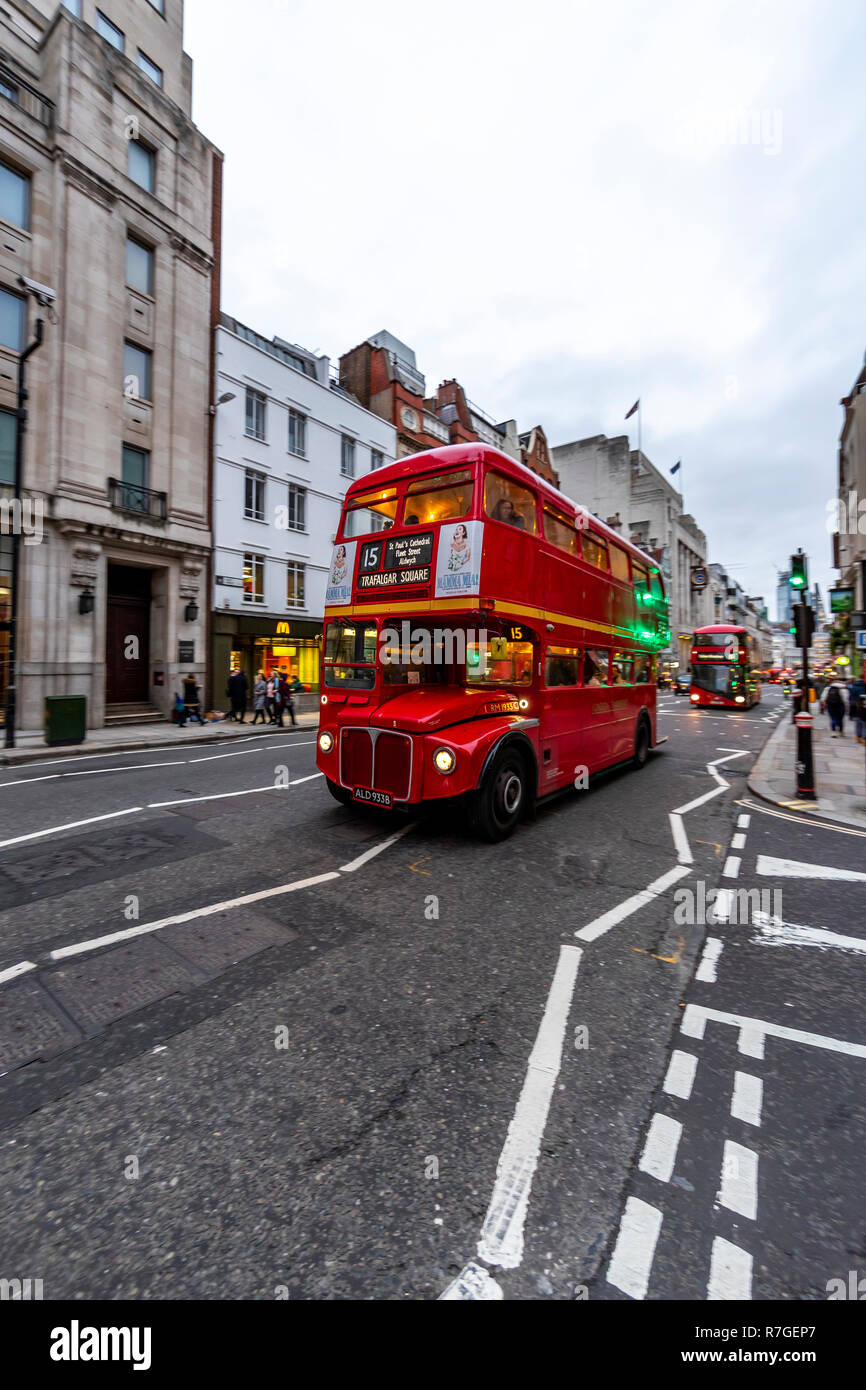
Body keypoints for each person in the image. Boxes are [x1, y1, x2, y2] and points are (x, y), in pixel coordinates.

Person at [849, 674, 866, 744]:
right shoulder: (864, 687)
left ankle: (858, 736)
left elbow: (850, 697)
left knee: (857, 721)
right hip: (863, 706)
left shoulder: (853, 686)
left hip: (854, 706)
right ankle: (864, 738)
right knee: (864, 723)